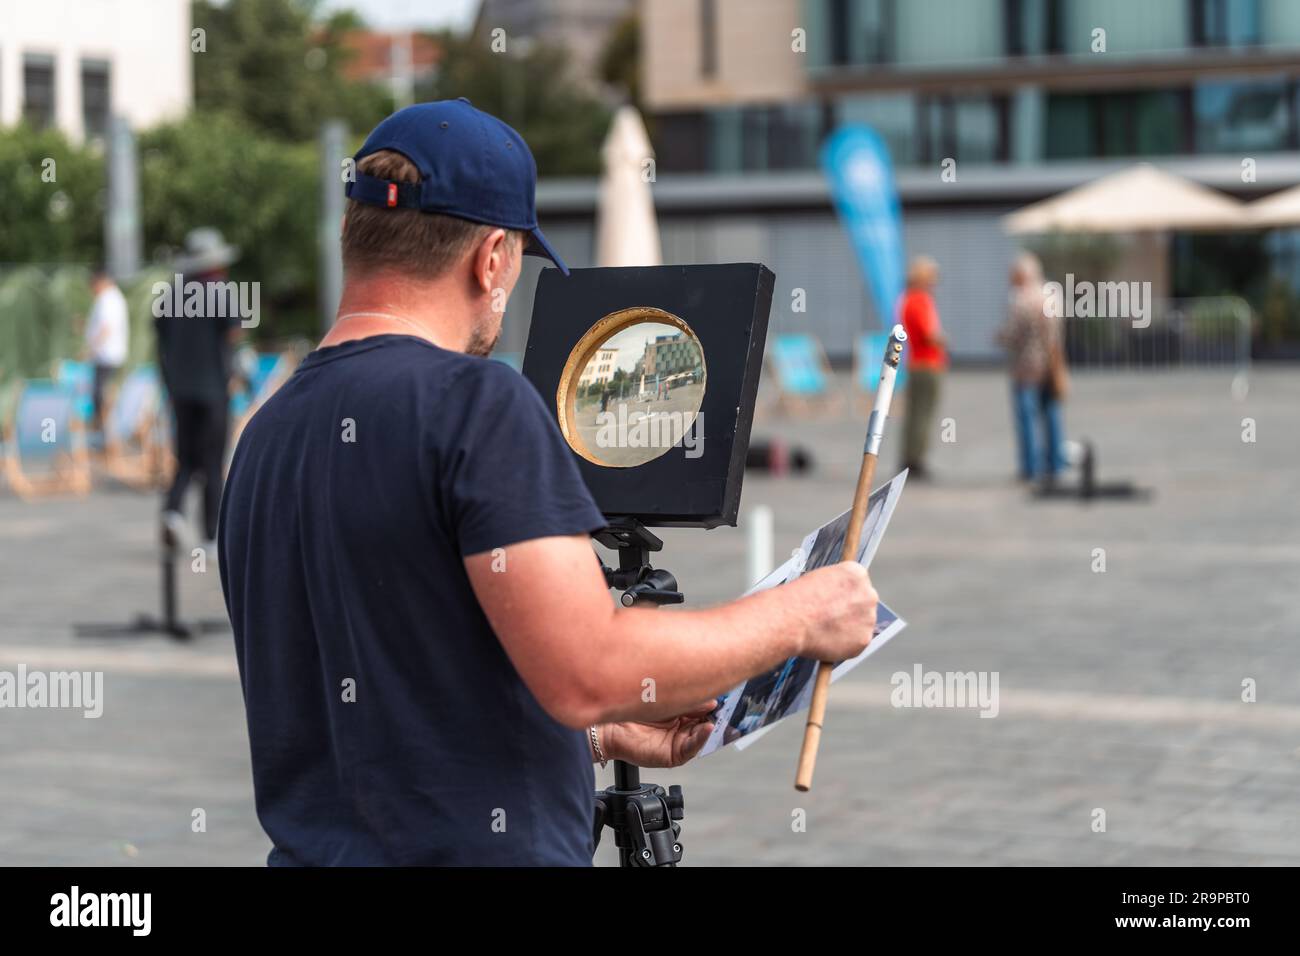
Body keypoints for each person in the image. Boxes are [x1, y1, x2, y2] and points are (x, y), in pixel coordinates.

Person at [218, 100, 879, 867]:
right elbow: (588, 666)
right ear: (492, 256)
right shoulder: (475, 402)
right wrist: (799, 614)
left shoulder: (264, 434)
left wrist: (587, 740)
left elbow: (397, 687)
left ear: (354, 235)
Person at [157, 228, 241, 550]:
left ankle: (172, 513)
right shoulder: (221, 292)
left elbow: (161, 341)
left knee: (186, 460)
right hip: (213, 393)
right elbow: (233, 335)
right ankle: (209, 537)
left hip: (179, 391)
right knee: (212, 464)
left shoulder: (170, 295)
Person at [997, 252, 1066, 483]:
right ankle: (1055, 463)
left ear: (1021, 275)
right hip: (1051, 362)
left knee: (1027, 416)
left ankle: (1030, 467)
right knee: (1051, 413)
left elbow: (1013, 334)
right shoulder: (1052, 294)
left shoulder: (1021, 298)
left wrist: (1000, 337)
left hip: (1026, 366)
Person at [899, 255, 947, 479]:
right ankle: (915, 460)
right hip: (927, 363)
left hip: (915, 362)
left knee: (914, 414)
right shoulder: (920, 300)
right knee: (922, 415)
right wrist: (943, 340)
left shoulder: (907, 299)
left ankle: (910, 457)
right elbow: (930, 334)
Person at [84, 269, 129, 432]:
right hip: (113, 355)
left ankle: (102, 433)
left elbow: (106, 328)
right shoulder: (116, 297)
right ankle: (107, 433)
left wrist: (91, 349)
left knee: (100, 397)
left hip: (105, 356)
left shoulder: (106, 299)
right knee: (105, 395)